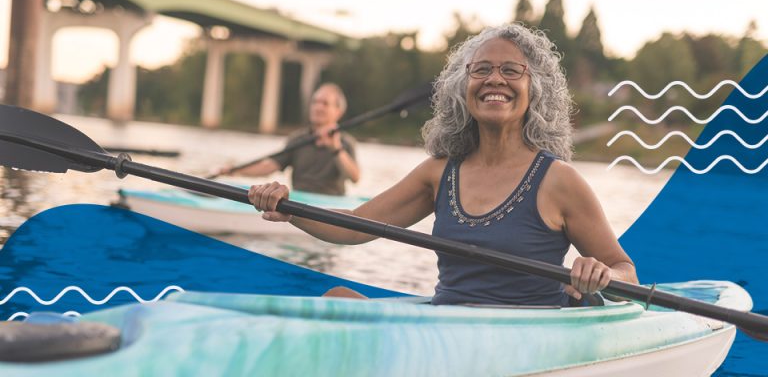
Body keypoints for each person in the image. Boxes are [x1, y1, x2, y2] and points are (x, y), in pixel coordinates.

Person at [248, 23, 638, 306]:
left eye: (511, 70)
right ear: (461, 87)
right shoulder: (439, 172)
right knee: (336, 299)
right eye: (481, 69)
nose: (494, 79)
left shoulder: (559, 180)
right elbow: (352, 227)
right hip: (446, 326)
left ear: (534, 89)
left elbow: (625, 269)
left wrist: (602, 275)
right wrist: (287, 207)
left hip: (524, 334)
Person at [220, 83, 360, 196]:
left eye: (325, 103)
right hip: (299, 200)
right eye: (315, 102)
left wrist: (335, 148)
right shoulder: (298, 138)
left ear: (338, 111)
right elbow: (269, 166)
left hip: (332, 204)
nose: (318, 107)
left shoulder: (346, 142)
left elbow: (355, 177)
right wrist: (235, 170)